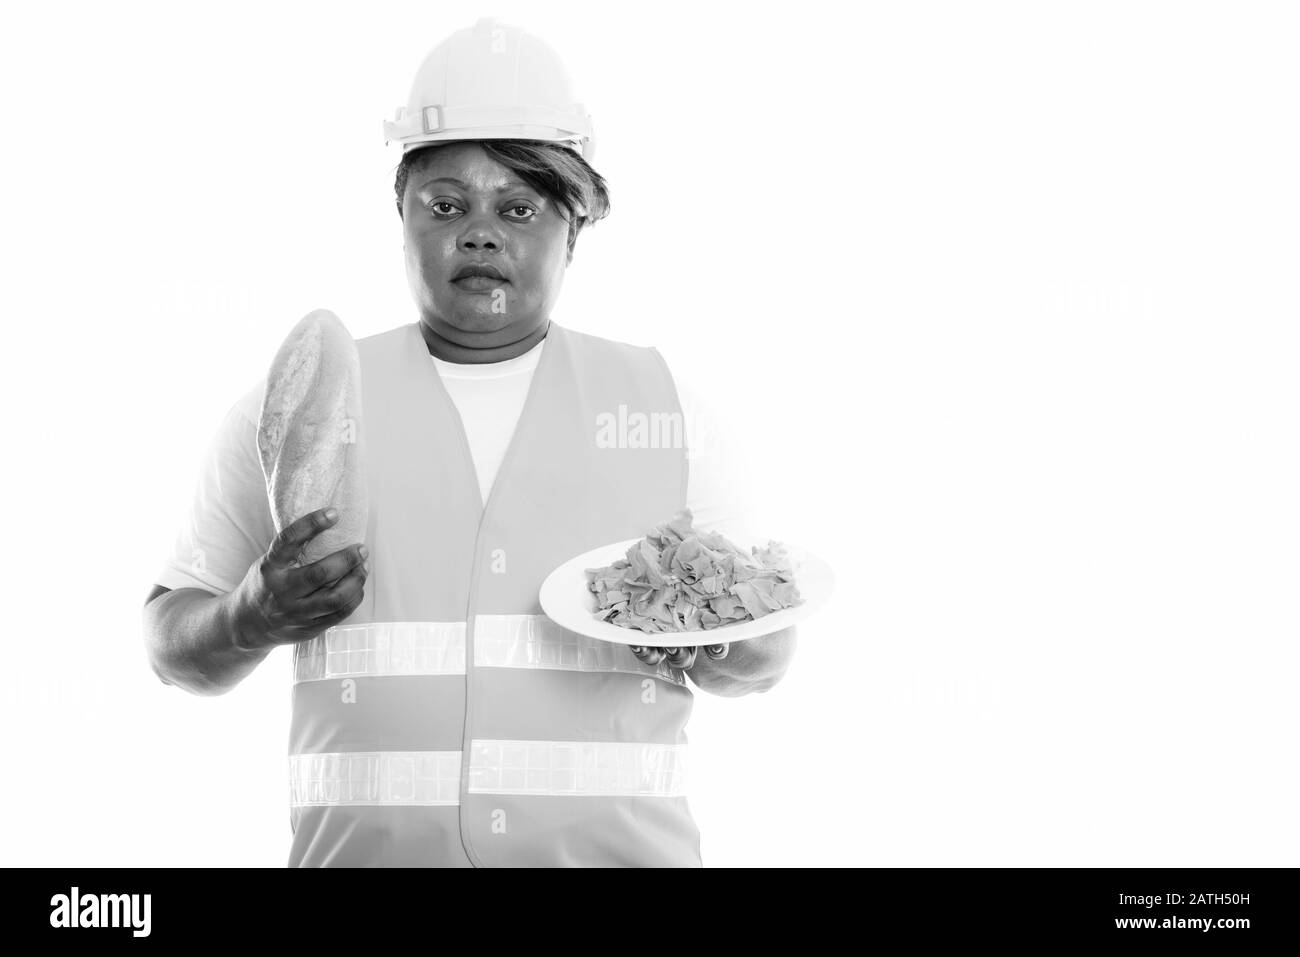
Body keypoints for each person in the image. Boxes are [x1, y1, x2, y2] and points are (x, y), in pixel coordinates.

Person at [141, 17, 797, 867]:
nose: (479, 232)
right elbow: (170, 646)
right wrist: (251, 614)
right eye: (446, 204)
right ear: (402, 215)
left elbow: (767, 657)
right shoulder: (305, 401)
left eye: (518, 207)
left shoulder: (668, 412)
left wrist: (710, 636)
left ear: (575, 228)